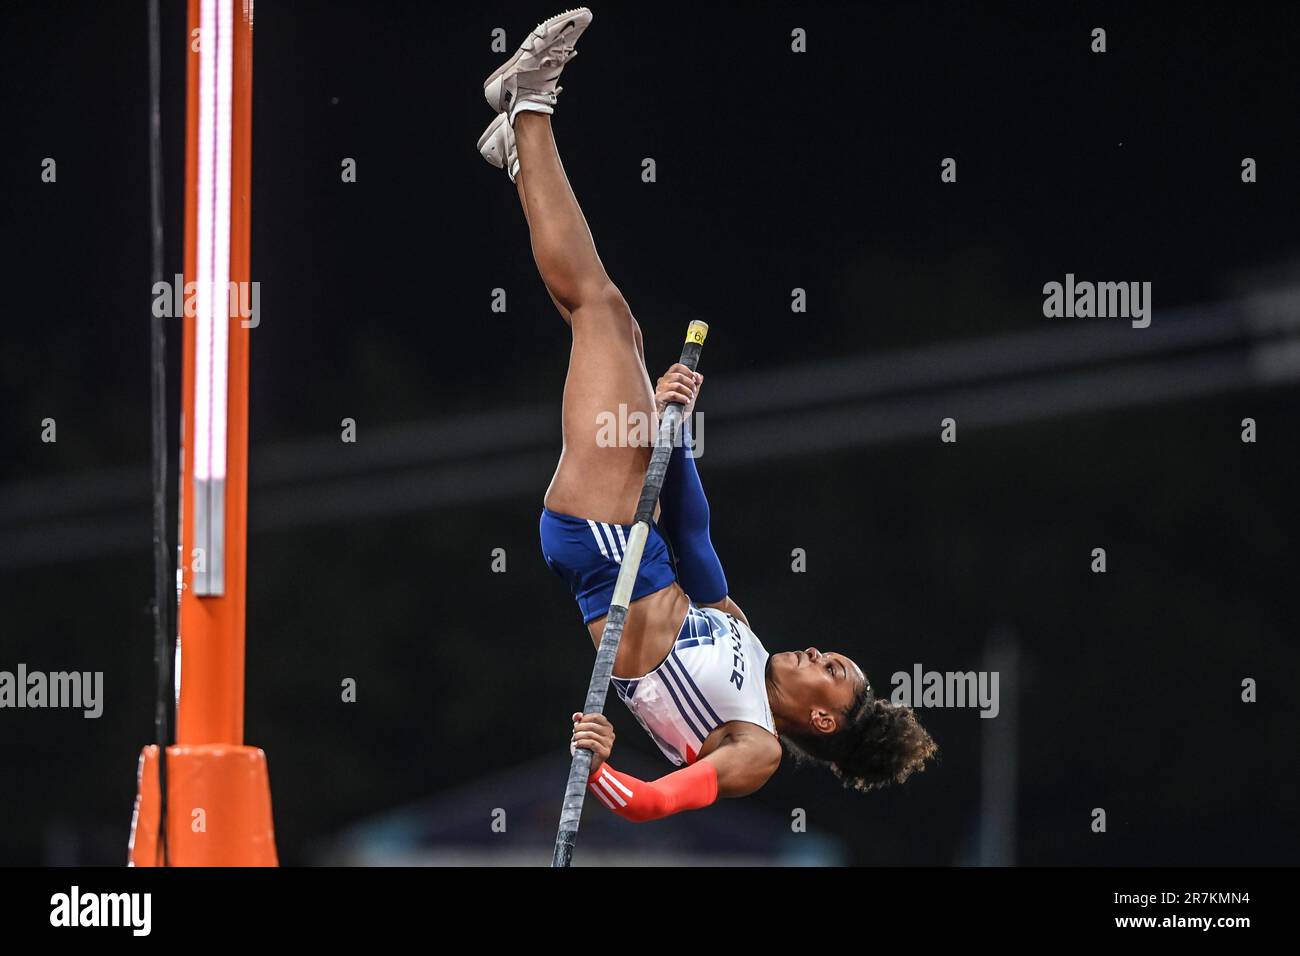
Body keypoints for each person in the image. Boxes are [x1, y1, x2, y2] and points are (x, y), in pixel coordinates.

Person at [479, 8, 936, 822]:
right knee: (614, 321)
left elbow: (657, 804)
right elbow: (692, 534)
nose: (822, 652)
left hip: (604, 541)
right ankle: (519, 149)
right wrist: (674, 427)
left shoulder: (755, 746)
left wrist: (600, 763)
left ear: (822, 718)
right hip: (629, 534)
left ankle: (529, 104)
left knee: (597, 307)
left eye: (831, 669)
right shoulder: (745, 638)